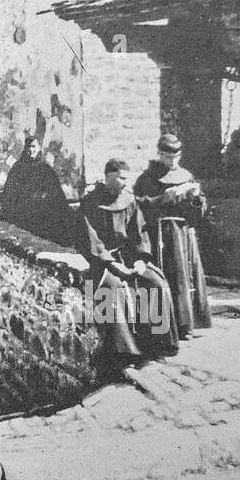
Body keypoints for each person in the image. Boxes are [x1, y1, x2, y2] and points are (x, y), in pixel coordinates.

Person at [79, 158, 179, 368]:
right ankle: (125, 354)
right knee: (112, 290)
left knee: (156, 283)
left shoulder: (129, 200)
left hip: (130, 257)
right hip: (103, 261)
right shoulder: (90, 203)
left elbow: (140, 233)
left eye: (126, 179)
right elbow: (92, 241)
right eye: (120, 178)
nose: (124, 183)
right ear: (108, 176)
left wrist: (141, 260)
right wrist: (113, 264)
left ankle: (157, 345)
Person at [134, 134, 213, 338]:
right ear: (159, 154)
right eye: (168, 157)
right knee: (170, 277)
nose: (172, 162)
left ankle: (188, 324)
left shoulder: (186, 175)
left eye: (176, 157)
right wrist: (162, 199)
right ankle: (168, 327)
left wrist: (196, 199)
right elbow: (139, 205)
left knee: (186, 278)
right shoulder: (147, 178)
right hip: (160, 232)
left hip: (183, 232)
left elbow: (201, 208)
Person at [0, 135, 77, 246]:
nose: (31, 150)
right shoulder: (18, 168)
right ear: (25, 148)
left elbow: (56, 192)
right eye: (29, 147)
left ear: (39, 148)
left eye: (34, 146)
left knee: (66, 218)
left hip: (42, 206)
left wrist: (46, 198)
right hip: (24, 209)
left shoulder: (45, 168)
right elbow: (10, 192)